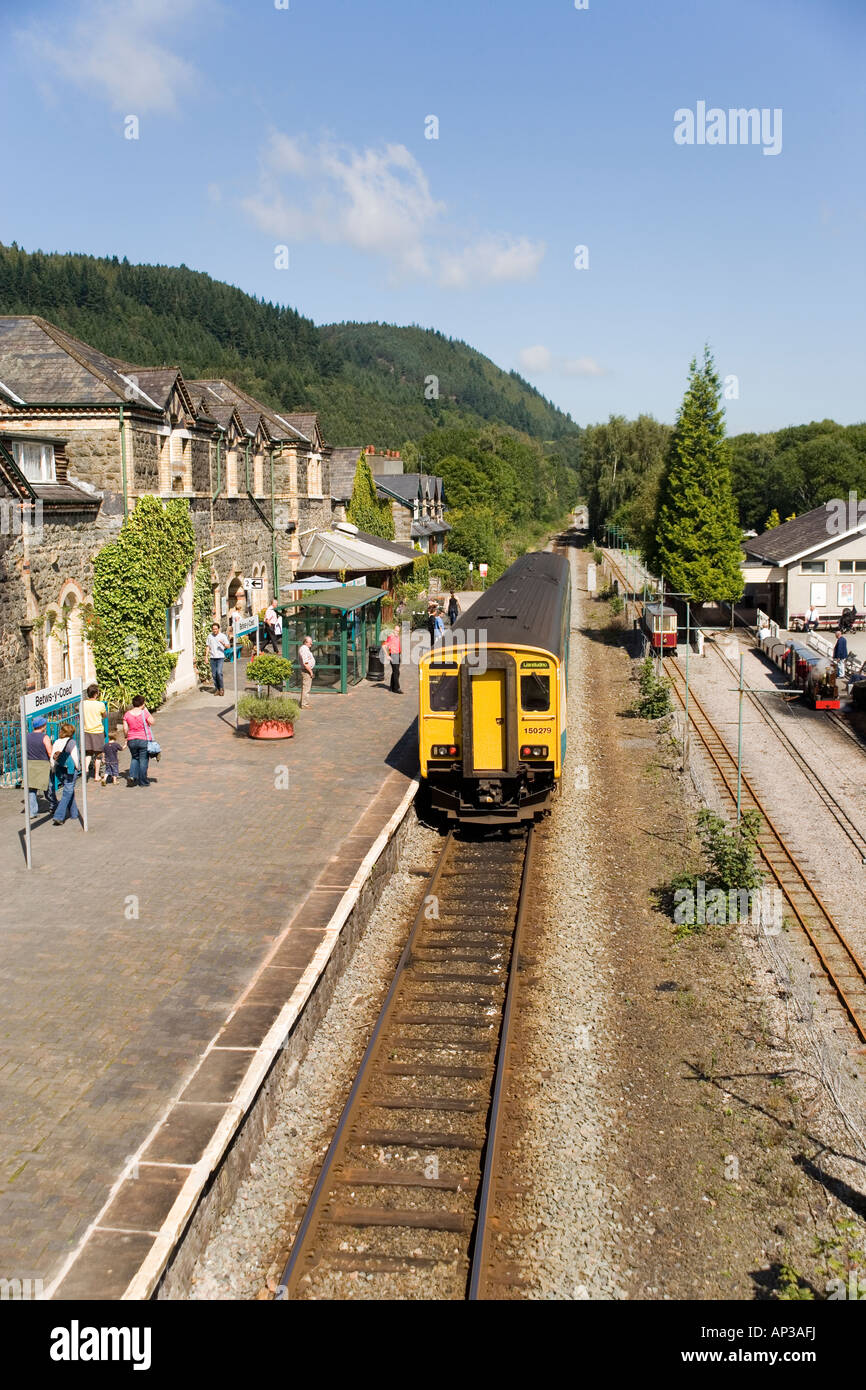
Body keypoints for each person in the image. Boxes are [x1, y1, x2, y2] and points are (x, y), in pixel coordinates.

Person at [51, 722, 81, 826]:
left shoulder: (56, 742)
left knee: (69, 791)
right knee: (67, 792)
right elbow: (75, 757)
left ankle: (74, 813)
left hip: (59, 769)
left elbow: (53, 756)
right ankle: (58, 816)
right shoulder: (72, 742)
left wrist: (53, 768)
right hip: (70, 770)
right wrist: (78, 767)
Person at [26, 715, 55, 817]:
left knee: (31, 790)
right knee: (48, 788)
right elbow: (49, 752)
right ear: (43, 726)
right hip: (43, 765)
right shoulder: (45, 737)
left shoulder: (27, 736)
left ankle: (32, 812)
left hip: (30, 764)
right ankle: (53, 805)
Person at [123, 696, 154, 787]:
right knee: (143, 760)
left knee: (135, 758)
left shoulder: (127, 714)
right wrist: (146, 710)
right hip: (143, 739)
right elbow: (152, 722)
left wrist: (126, 737)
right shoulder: (144, 713)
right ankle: (143, 781)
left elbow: (125, 728)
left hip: (131, 739)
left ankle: (132, 776)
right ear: (143, 703)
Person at [82, 683, 107, 782]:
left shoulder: (83, 704)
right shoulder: (100, 704)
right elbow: (104, 715)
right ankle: (96, 776)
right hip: (97, 731)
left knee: (88, 753)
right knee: (98, 754)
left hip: (86, 731)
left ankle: (86, 768)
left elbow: (77, 709)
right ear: (96, 694)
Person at [206, 622, 229, 696]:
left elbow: (228, 646)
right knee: (214, 675)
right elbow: (207, 647)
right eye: (213, 629)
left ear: (218, 629)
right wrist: (206, 656)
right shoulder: (209, 636)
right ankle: (217, 689)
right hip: (212, 657)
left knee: (219, 673)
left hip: (220, 657)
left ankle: (221, 689)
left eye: (216, 629)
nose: (215, 630)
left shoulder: (223, 636)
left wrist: (223, 644)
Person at [298, 635, 316, 708]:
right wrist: (311, 672)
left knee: (306, 688)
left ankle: (303, 703)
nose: (311, 644)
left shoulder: (306, 648)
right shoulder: (304, 649)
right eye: (310, 642)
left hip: (307, 670)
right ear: (305, 642)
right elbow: (305, 663)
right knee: (306, 688)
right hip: (306, 671)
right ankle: (304, 704)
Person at [384, 626, 402, 693]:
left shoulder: (397, 636)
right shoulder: (390, 637)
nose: (397, 632)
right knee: (396, 672)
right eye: (396, 630)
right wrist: (387, 655)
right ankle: (397, 688)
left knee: (395, 671)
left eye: (398, 631)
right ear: (393, 630)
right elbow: (384, 646)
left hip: (398, 655)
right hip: (393, 655)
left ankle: (392, 687)